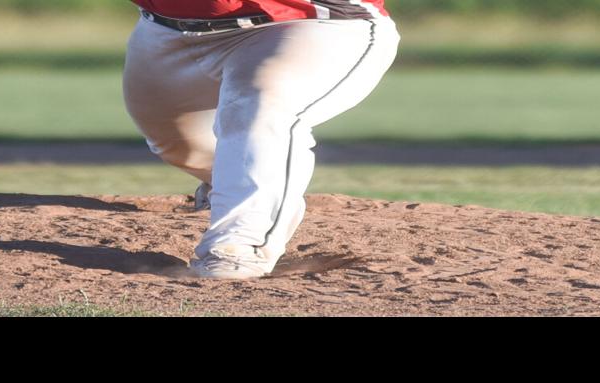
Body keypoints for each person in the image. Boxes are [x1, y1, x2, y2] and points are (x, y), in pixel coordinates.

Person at [123, 1, 399, 279]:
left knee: (262, 105)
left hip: (310, 24)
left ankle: (239, 247)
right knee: (179, 144)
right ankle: (230, 182)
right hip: (165, 29)